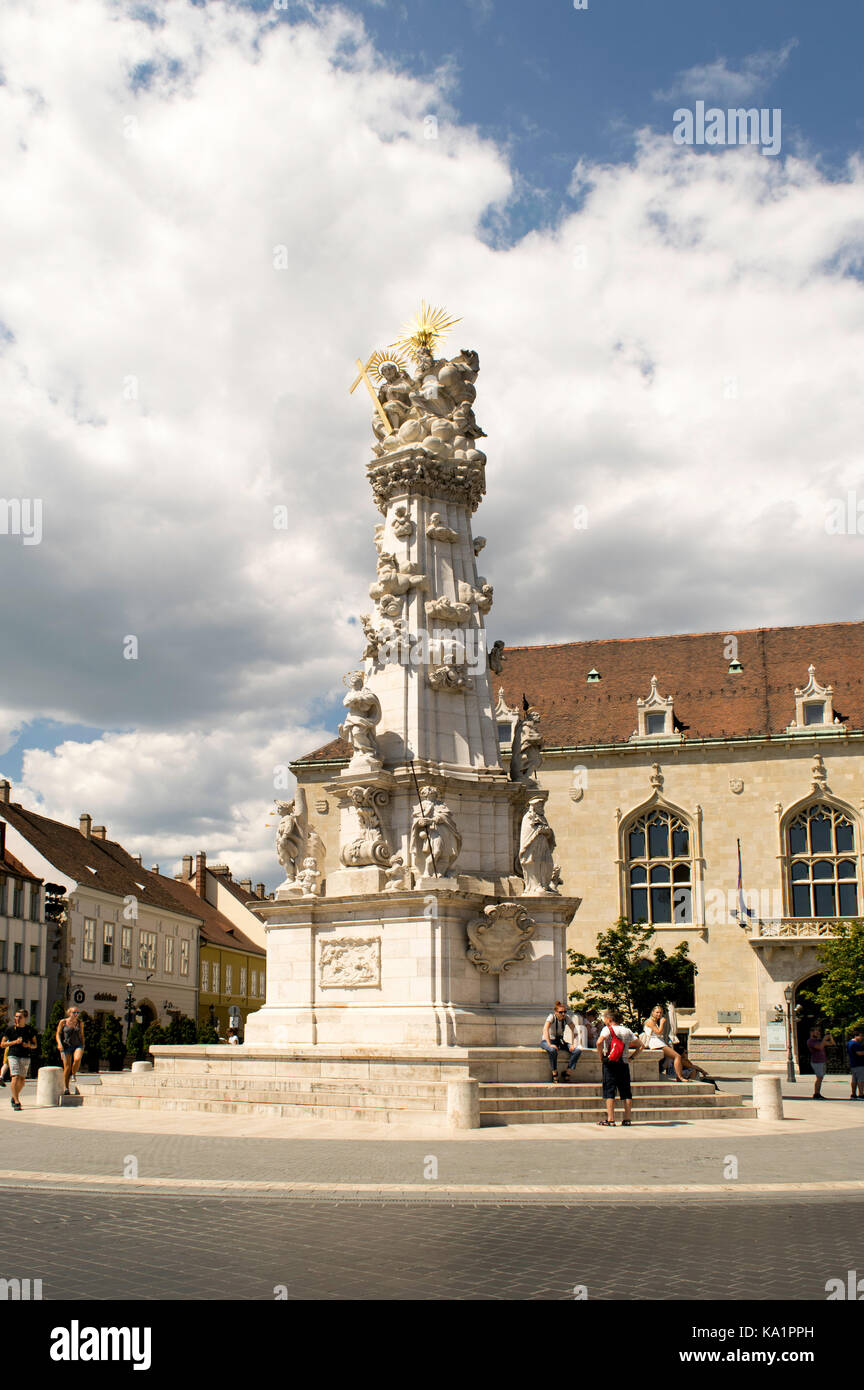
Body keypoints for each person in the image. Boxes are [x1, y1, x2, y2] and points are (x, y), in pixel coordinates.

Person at [596, 1008, 643, 1126]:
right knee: (626, 1091)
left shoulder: (607, 1029)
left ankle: (611, 1119)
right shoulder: (627, 1030)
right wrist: (631, 1058)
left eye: (605, 1019)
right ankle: (627, 1118)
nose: (605, 1021)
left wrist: (601, 1055)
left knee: (610, 1090)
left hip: (610, 1062)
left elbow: (599, 1042)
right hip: (623, 1062)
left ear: (610, 1019)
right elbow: (640, 1046)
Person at [642, 1004, 692, 1083]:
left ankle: (678, 1076)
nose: (659, 1014)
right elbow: (658, 1032)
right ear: (652, 1012)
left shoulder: (654, 1021)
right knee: (677, 1056)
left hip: (658, 1042)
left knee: (673, 1058)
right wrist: (662, 1023)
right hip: (656, 1043)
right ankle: (680, 1077)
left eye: (660, 1013)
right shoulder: (650, 1021)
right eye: (657, 1012)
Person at [1, 1008, 38, 1111]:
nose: (17, 1018)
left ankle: (14, 1096)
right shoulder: (10, 1029)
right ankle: (17, 1101)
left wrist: (28, 1045)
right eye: (16, 1016)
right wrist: (14, 1042)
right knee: (15, 1077)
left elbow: (35, 1045)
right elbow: (2, 1044)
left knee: (22, 1081)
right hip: (13, 1055)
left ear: (25, 1018)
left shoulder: (30, 1030)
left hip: (25, 1056)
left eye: (19, 1017)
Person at [540, 1002, 582, 1083]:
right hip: (547, 1040)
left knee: (577, 1051)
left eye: (565, 1012)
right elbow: (545, 1029)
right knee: (552, 1050)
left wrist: (574, 1044)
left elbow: (575, 1030)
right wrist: (549, 1044)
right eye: (561, 1012)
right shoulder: (551, 1017)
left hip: (559, 1041)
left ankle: (568, 1072)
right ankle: (554, 1073)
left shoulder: (566, 1018)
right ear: (555, 1012)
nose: (563, 1014)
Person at [56, 1007, 85, 1096]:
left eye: (77, 1012)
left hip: (77, 1045)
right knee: (67, 1067)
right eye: (74, 1012)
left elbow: (82, 1034)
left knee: (77, 1059)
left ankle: (73, 1074)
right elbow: (58, 1034)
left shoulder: (79, 1023)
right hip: (66, 1046)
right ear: (69, 1013)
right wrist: (59, 1044)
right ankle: (66, 1087)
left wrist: (83, 1045)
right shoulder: (63, 1022)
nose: (76, 1014)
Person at [806, 1025, 834, 1099]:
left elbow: (832, 1044)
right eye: (816, 1031)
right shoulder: (810, 1041)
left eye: (819, 1031)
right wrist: (824, 1039)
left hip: (822, 1061)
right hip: (816, 1061)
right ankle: (816, 1094)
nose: (818, 1033)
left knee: (820, 1078)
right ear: (812, 1032)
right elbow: (820, 1047)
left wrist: (830, 1036)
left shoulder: (819, 1040)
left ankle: (818, 1093)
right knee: (819, 1077)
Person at [847, 1027, 864, 1100]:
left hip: (853, 1063)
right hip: (859, 1063)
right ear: (856, 1036)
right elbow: (859, 1053)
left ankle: (853, 1094)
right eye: (861, 1036)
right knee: (861, 1079)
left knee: (854, 1080)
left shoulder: (849, 1043)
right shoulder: (856, 1044)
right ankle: (861, 1094)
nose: (862, 1038)